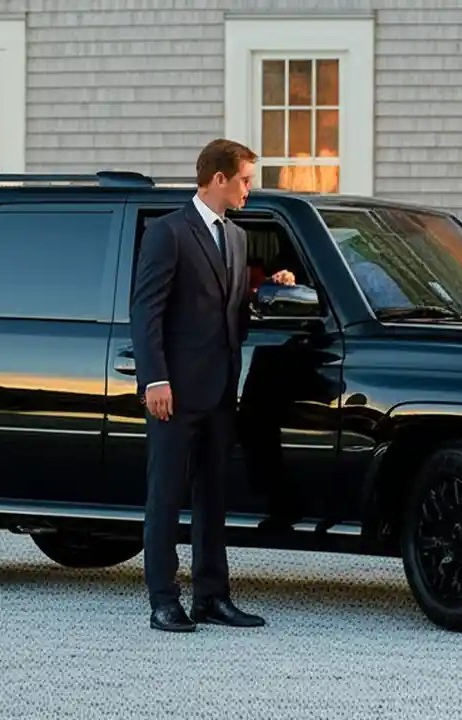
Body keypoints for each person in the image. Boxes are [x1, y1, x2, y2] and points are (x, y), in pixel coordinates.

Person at [129, 138, 289, 633]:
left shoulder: (238, 238)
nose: (249, 189)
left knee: (212, 497)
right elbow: (146, 310)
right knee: (166, 495)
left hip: (221, 390)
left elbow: (230, 305)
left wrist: (269, 288)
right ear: (218, 179)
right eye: (244, 180)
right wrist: (154, 378)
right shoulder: (168, 233)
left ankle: (212, 596)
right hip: (174, 391)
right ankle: (162, 600)